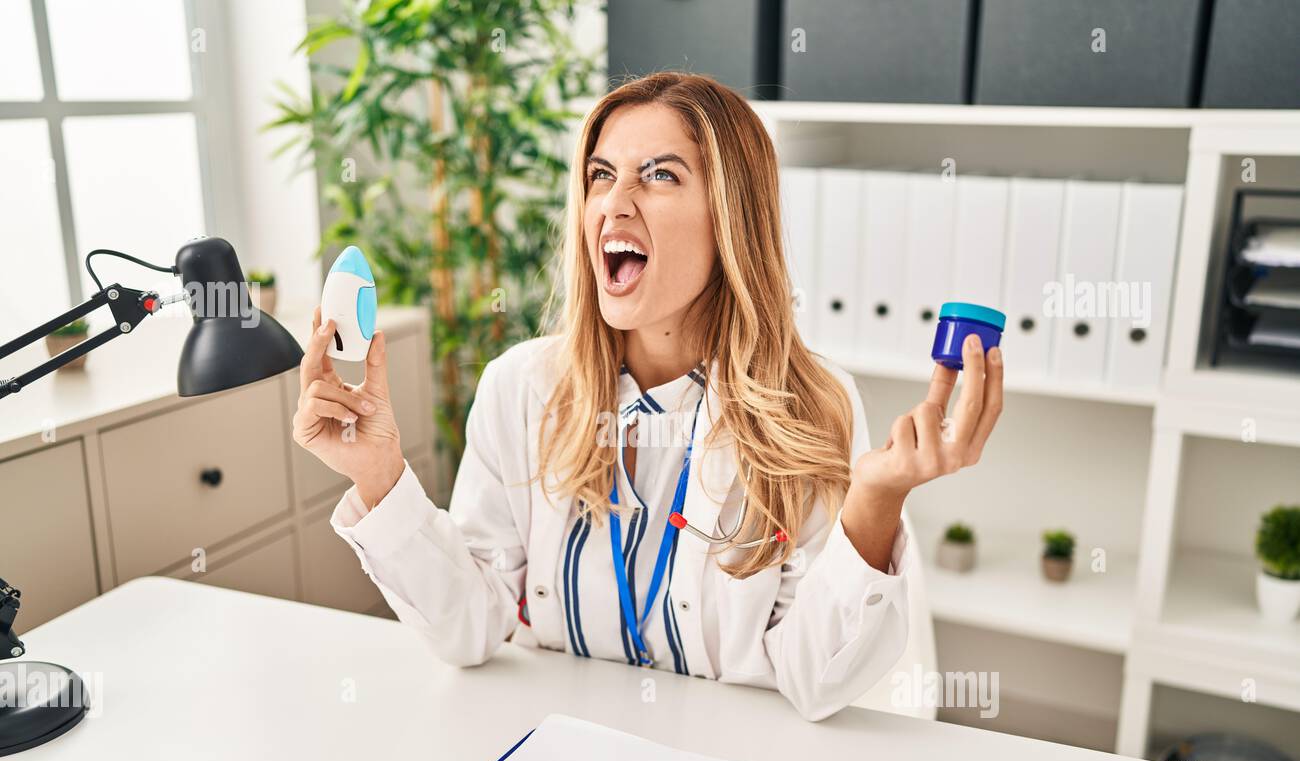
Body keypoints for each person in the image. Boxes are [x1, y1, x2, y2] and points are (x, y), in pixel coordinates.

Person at [292, 71, 1004, 721]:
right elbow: (470, 630)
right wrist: (379, 477)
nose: (614, 203)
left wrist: (875, 503)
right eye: (600, 176)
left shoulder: (811, 405)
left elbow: (813, 680)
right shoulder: (521, 387)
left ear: (731, 218)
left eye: (658, 176)